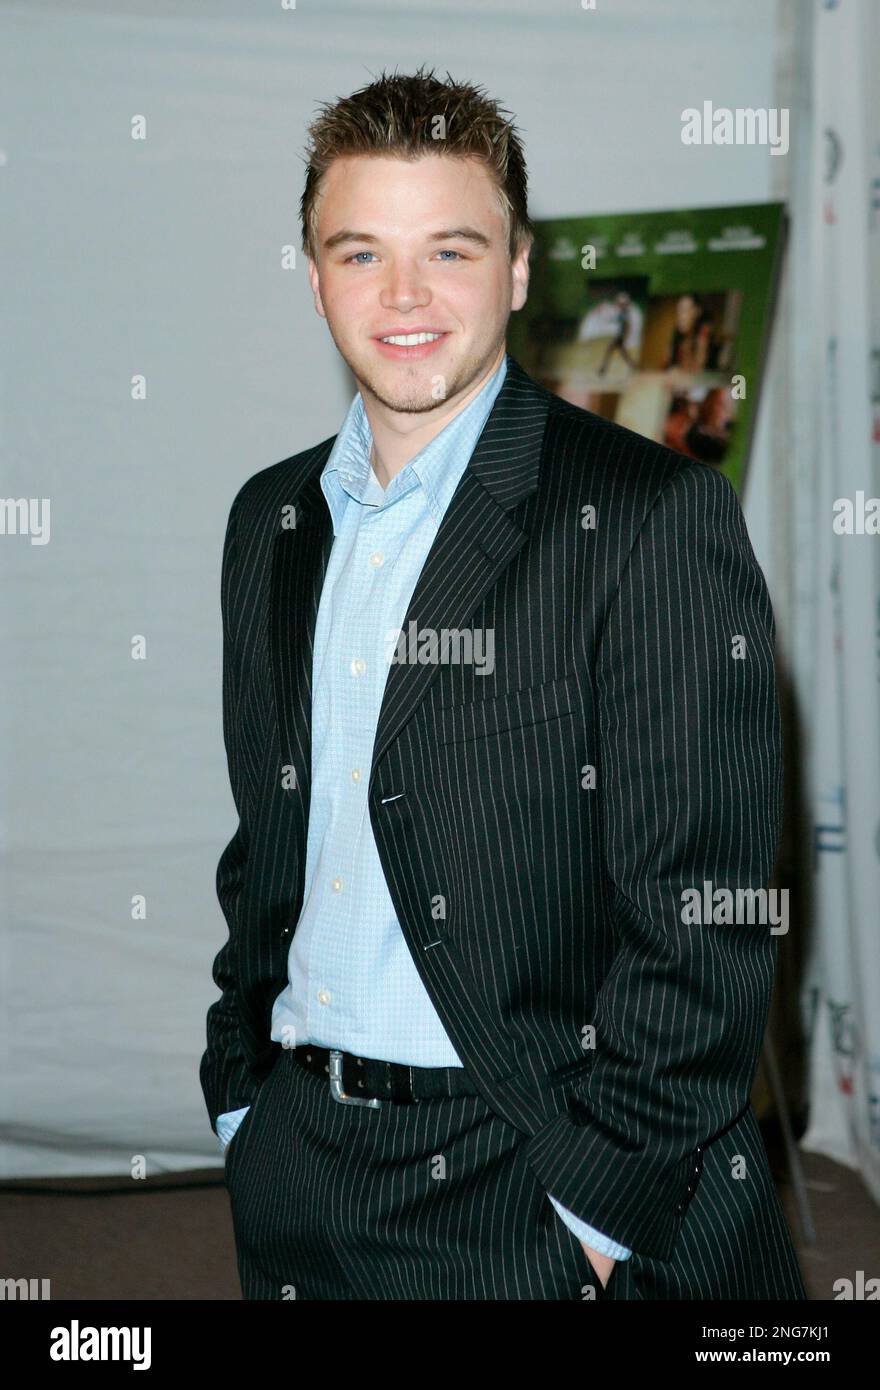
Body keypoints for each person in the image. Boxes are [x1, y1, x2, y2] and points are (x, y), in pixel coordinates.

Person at [199, 65, 806, 1302]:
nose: (406, 297)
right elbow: (273, 835)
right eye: (361, 253)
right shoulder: (268, 519)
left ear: (521, 269)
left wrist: (592, 1209)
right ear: (312, 274)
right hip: (298, 1159)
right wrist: (238, 1100)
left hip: (525, 1169)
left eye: (451, 251)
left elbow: (710, 915)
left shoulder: (649, 518)